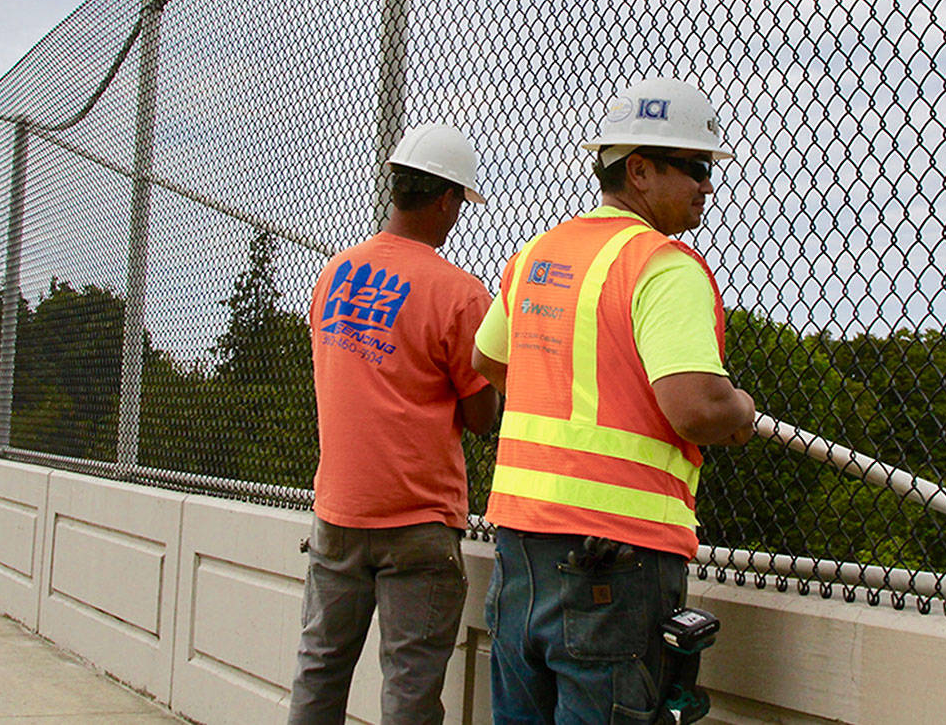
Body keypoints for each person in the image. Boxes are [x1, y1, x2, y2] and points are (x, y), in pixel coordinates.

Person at [471, 78, 756, 723]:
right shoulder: (664, 265)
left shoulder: (538, 253)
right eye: (695, 166)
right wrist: (739, 409)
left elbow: (487, 361)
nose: (707, 184)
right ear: (639, 170)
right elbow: (696, 407)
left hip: (521, 545)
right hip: (617, 556)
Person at [288, 123, 501, 725]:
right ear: (446, 199)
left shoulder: (335, 273)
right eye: (459, 202)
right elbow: (481, 417)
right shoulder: (460, 295)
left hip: (339, 510)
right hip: (418, 519)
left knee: (320, 668)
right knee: (410, 689)